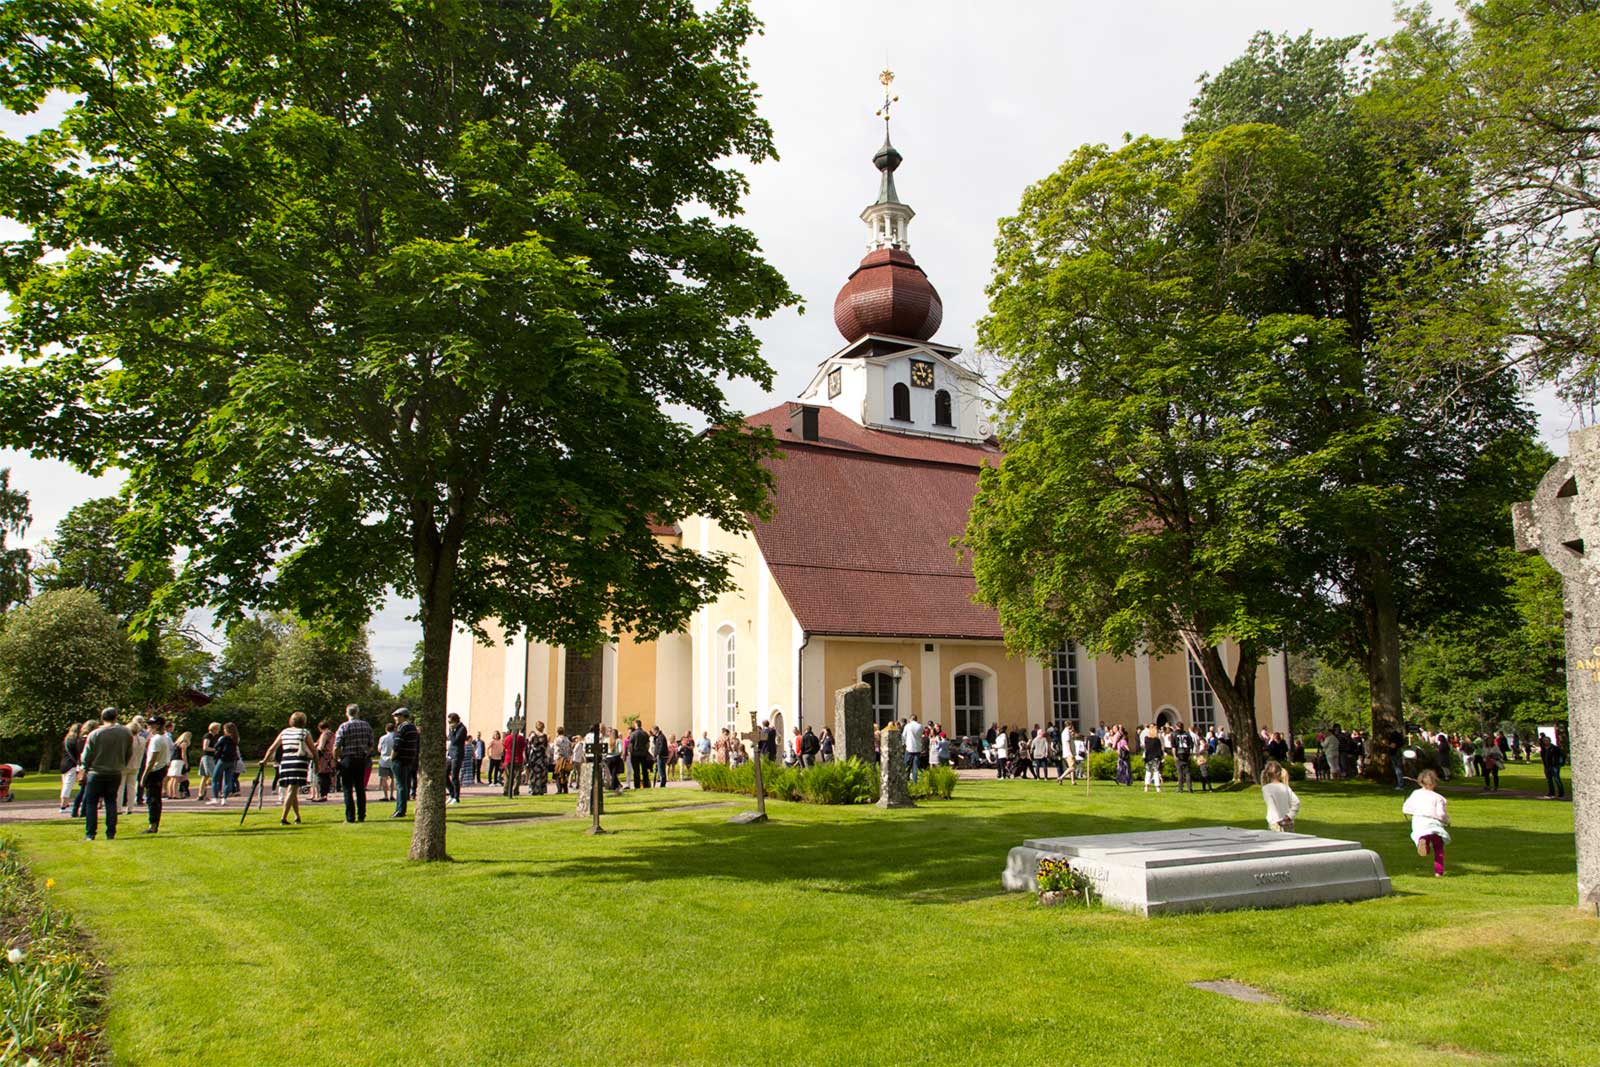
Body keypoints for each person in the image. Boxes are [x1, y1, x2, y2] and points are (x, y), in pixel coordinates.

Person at [80, 708, 133, 841]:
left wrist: (84, 768)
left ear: (102, 718)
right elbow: (129, 752)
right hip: (115, 771)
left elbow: (86, 755)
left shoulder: (95, 734)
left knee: (91, 803)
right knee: (111, 802)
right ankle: (110, 833)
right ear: (116, 717)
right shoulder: (126, 733)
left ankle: (90, 833)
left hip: (96, 772)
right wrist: (122, 764)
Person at [261, 712, 314, 826]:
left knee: (292, 790)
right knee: (292, 790)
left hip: (285, 762)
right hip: (298, 762)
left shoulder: (284, 732)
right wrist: (317, 764)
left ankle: (297, 817)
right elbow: (313, 750)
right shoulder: (304, 732)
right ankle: (283, 818)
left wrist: (265, 760)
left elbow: (272, 748)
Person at [1403, 769, 1451, 877]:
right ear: (1435, 783)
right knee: (1438, 847)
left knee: (1423, 836)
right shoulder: (1439, 798)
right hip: (1434, 824)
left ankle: (1423, 841)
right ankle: (1439, 872)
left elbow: (1406, 808)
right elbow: (1441, 814)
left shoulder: (1415, 794)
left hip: (1419, 822)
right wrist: (1447, 821)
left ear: (1420, 782)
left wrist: (1415, 812)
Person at [334, 704, 375, 823]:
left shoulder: (344, 726)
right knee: (360, 788)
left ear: (347, 713)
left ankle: (350, 817)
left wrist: (336, 758)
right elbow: (371, 744)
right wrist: (365, 753)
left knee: (347, 788)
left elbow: (337, 745)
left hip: (347, 759)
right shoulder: (366, 726)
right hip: (361, 759)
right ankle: (361, 815)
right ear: (357, 712)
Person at [138, 715, 173, 834]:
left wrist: (144, 775)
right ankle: (154, 823)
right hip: (161, 768)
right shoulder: (164, 738)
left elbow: (152, 760)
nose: (149, 726)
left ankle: (153, 825)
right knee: (155, 798)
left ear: (157, 725)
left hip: (155, 770)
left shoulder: (156, 739)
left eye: (151, 724)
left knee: (152, 799)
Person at [390, 708, 420, 818]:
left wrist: (391, 757)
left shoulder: (402, 727)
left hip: (400, 759)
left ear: (403, 716)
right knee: (404, 784)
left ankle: (400, 809)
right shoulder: (412, 727)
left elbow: (397, 745)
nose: (395, 718)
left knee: (400, 785)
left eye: (397, 716)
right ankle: (401, 808)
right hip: (409, 759)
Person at [1261, 761, 1300, 832]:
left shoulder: (1266, 789)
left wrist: (1278, 819)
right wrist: (1289, 816)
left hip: (1275, 823)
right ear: (1279, 773)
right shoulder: (1286, 787)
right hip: (1288, 822)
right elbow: (1296, 802)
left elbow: (1271, 805)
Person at [211, 723, 241, 805]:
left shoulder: (224, 738)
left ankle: (215, 798)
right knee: (228, 780)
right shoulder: (235, 738)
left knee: (215, 779)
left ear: (227, 730)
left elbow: (216, 746)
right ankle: (224, 799)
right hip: (232, 761)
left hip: (223, 760)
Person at [59, 723, 84, 813]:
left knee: (65, 784)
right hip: (71, 764)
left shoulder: (66, 739)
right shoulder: (75, 741)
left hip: (64, 764)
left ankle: (64, 803)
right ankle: (63, 805)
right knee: (68, 785)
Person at [446, 713, 468, 804]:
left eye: (450, 722)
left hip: (457, 755)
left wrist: (451, 731)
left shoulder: (462, 728)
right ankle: (451, 793)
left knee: (454, 776)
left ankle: (456, 797)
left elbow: (455, 740)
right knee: (444, 774)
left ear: (455, 721)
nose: (449, 724)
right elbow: (449, 738)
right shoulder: (453, 728)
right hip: (450, 754)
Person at [313, 720, 337, 801]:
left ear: (320, 728)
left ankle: (322, 795)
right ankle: (325, 794)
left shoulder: (324, 734)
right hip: (331, 757)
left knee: (322, 776)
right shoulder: (333, 734)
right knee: (327, 776)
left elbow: (321, 747)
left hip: (324, 757)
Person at [1541, 733, 1566, 799]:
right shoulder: (1543, 749)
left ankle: (1561, 794)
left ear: (1549, 741)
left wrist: (1560, 763)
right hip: (1547, 766)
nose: (1545, 742)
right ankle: (1551, 793)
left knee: (1557, 779)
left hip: (1554, 766)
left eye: (1547, 740)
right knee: (1549, 780)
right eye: (1544, 741)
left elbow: (1563, 755)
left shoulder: (1555, 748)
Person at [528, 721, 550, 795]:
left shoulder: (543, 736)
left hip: (539, 756)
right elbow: (529, 746)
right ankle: (536, 789)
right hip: (537, 757)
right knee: (536, 773)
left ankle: (538, 789)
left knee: (539, 773)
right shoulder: (536, 735)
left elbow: (529, 746)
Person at [377, 722, 397, 802]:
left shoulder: (383, 738)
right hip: (393, 759)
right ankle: (392, 795)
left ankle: (385, 796)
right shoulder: (396, 737)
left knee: (384, 778)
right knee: (393, 779)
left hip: (384, 760)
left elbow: (379, 749)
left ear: (386, 729)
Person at [1172, 723, 1195, 793]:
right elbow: (1191, 745)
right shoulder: (1187, 734)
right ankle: (1189, 788)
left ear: (1176, 727)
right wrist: (1190, 755)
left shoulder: (1174, 734)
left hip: (1179, 753)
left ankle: (1180, 789)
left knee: (1180, 773)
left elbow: (1173, 746)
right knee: (1187, 772)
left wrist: (1174, 755)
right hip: (1186, 753)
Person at [1141, 725, 1164, 793]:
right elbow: (1160, 750)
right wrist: (1161, 757)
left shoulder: (1146, 739)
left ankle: (1146, 787)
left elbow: (1146, 749)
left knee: (1148, 772)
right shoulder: (1157, 740)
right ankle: (1157, 787)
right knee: (1156, 772)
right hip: (1156, 757)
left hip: (1148, 757)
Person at [903, 715, 924, 783]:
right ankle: (915, 781)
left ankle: (905, 779)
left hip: (909, 747)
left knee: (906, 765)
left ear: (910, 719)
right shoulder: (920, 726)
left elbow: (903, 736)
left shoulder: (908, 726)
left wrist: (904, 743)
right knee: (915, 767)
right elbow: (920, 736)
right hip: (917, 748)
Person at [553, 727, 573, 794]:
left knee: (558, 774)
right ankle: (565, 789)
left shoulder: (557, 739)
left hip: (559, 758)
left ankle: (559, 789)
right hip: (566, 758)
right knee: (565, 774)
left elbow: (556, 749)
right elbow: (570, 749)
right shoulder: (567, 739)